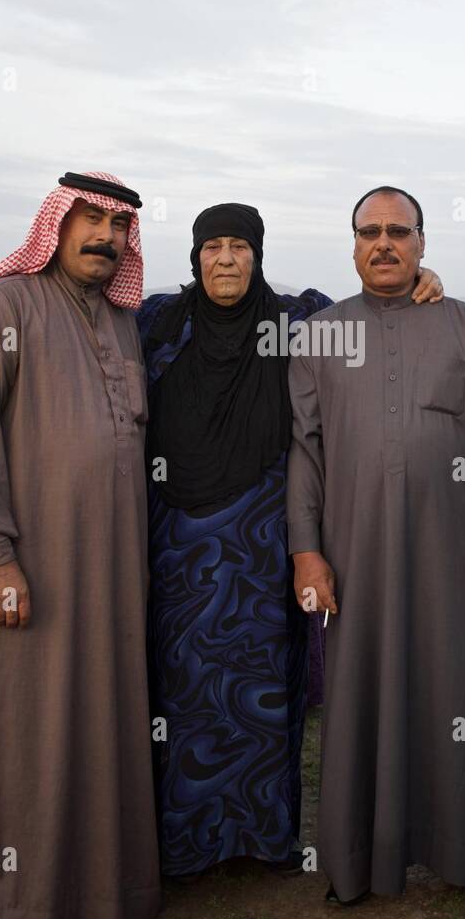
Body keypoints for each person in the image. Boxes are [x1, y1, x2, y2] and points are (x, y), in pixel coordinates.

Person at [138, 202, 445, 880]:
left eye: (239, 247)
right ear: (194, 256)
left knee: (262, 691)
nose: (225, 259)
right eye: (212, 246)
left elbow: (369, 322)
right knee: (182, 693)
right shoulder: (158, 323)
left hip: (261, 545)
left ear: (258, 254)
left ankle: (262, 838)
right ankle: (186, 846)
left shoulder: (294, 322)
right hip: (177, 549)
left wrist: (423, 287)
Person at [0, 171, 160, 919]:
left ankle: (83, 904)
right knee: (12, 739)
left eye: (117, 226)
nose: (104, 237)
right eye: (89, 220)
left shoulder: (124, 323)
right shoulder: (2, 309)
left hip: (105, 574)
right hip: (22, 571)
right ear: (55, 223)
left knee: (91, 731)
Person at [287, 185, 465, 907]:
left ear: (423, 243)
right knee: (359, 699)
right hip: (354, 557)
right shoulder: (319, 335)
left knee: (461, 690)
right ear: (352, 244)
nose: (383, 244)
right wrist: (306, 549)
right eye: (369, 232)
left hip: (455, 552)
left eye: (399, 231)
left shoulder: (464, 327)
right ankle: (355, 863)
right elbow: (305, 450)